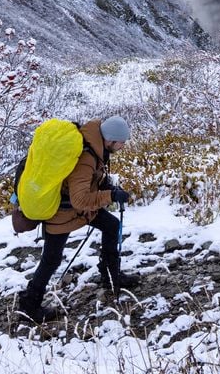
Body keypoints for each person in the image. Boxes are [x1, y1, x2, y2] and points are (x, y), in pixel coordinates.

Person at [17, 115, 139, 323]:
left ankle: (111, 277)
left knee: (111, 225)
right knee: (51, 259)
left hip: (76, 210)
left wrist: (107, 187)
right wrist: (110, 196)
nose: (123, 146)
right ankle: (29, 306)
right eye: (121, 143)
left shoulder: (95, 145)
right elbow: (80, 200)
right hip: (62, 213)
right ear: (110, 140)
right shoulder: (86, 157)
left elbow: (87, 183)